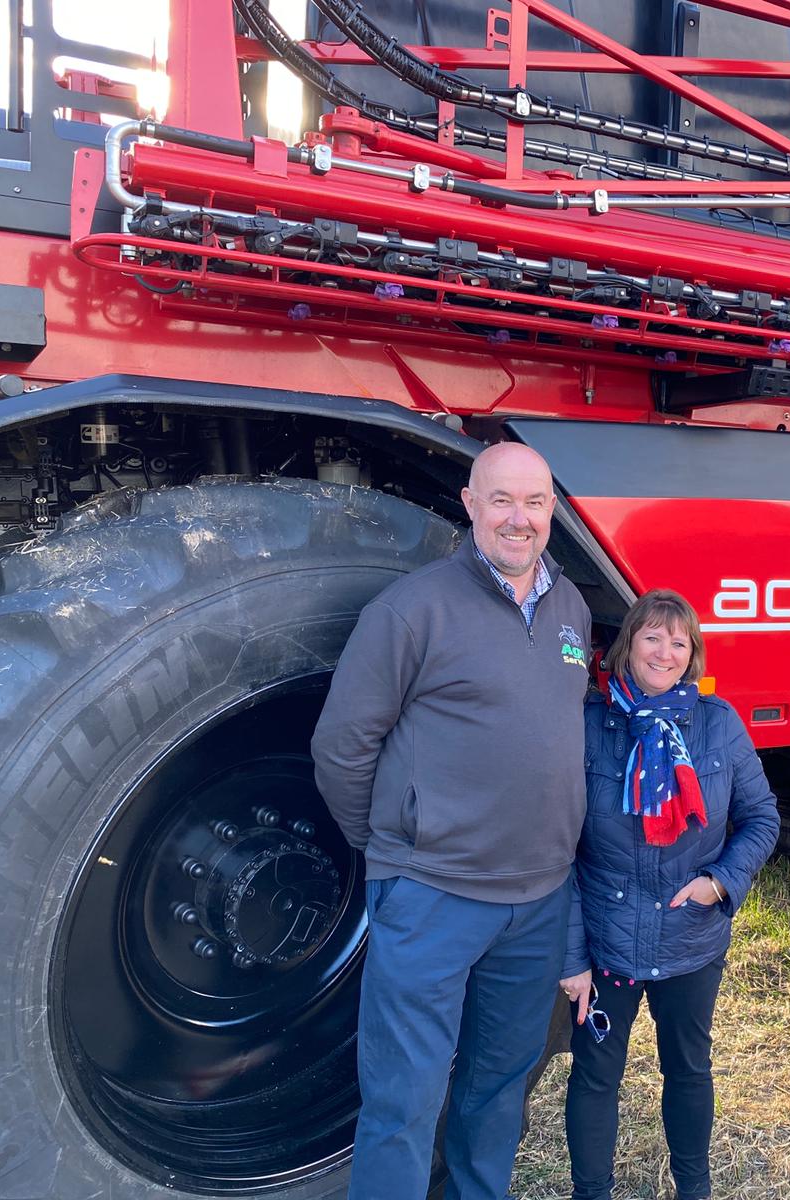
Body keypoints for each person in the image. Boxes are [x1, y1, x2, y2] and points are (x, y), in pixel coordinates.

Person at [310, 441, 593, 1200]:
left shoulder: (570, 608)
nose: (519, 519)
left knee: (499, 1089)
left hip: (537, 902)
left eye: (534, 503)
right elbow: (342, 746)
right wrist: (392, 850)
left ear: (552, 512)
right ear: (470, 505)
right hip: (433, 894)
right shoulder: (412, 610)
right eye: (501, 500)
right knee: (404, 1101)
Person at [559, 589, 780, 1200]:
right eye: (652, 637)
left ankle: (693, 1188)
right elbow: (561, 850)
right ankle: (591, 1191)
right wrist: (573, 957)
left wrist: (721, 882)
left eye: (678, 642)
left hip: (690, 939)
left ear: (693, 655)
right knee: (596, 1075)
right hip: (608, 943)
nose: (664, 651)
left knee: (688, 1069)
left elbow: (762, 817)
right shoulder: (589, 727)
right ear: (628, 645)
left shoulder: (719, 724)